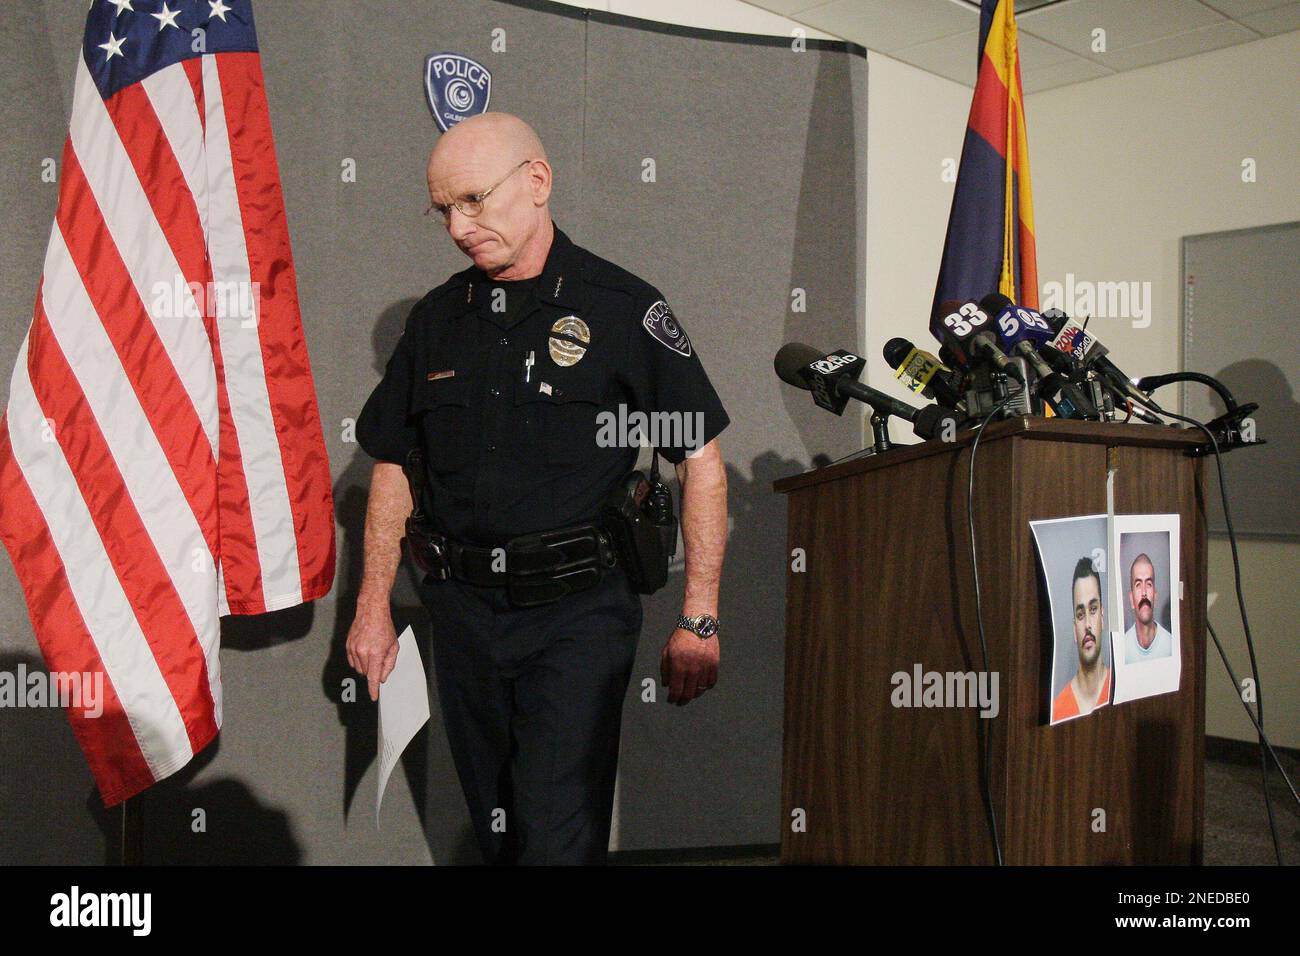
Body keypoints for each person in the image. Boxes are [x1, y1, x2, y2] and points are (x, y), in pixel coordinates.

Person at [346, 112, 731, 864]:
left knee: (556, 833)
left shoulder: (621, 308)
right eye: (443, 210)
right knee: (497, 828)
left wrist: (701, 617)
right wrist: (371, 610)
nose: (459, 226)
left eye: (473, 200)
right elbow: (391, 462)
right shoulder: (437, 321)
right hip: (460, 610)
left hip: (577, 616)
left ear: (538, 182)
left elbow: (701, 458)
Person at [1052, 557, 1111, 722]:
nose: (1087, 625)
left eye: (1093, 609)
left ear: (1103, 617)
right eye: (1080, 614)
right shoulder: (1057, 710)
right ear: (1074, 628)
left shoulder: (1120, 688)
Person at [1123, 552, 1172, 664]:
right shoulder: (1122, 650)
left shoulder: (1171, 645)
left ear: (1155, 596)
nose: (1144, 592)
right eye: (1138, 585)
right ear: (1131, 600)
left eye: (1149, 584)